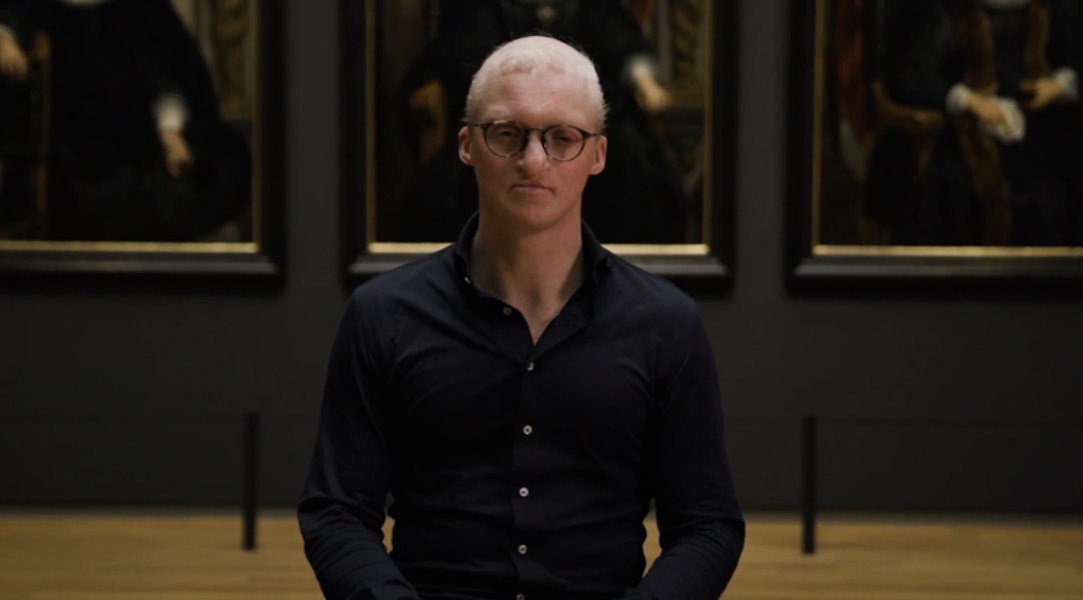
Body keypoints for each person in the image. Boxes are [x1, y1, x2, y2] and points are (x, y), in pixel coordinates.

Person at [298, 35, 744, 600]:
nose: (534, 161)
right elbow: (336, 513)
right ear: (466, 144)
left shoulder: (666, 324)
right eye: (508, 134)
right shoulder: (381, 315)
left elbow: (707, 525)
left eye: (563, 137)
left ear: (598, 155)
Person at [393, 0, 689, 244]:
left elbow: (622, 45)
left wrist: (643, 79)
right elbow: (461, 53)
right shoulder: (485, 9)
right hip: (502, 118)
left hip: (582, 120)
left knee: (633, 172)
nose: (535, 162)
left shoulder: (591, 8)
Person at [0, 0, 250, 241]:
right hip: (73, 152)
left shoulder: (143, 7)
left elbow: (165, 70)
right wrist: (6, 38)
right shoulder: (46, 7)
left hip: (143, 142)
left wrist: (169, 132)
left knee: (212, 172)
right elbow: (17, 15)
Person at [869, 0, 1083, 245]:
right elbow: (914, 76)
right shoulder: (953, 10)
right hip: (965, 129)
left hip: (1041, 126)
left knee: (1065, 190)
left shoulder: (1047, 7)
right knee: (1009, 198)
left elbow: (1074, 57)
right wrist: (972, 102)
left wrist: (1056, 86)